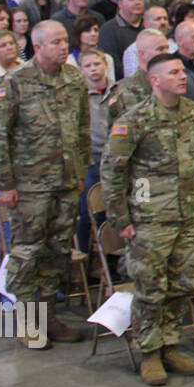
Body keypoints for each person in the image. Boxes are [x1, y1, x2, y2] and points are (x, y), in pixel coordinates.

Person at [102, 52, 194, 385]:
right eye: (174, 72)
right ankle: (149, 352)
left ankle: (170, 344)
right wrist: (120, 218)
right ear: (155, 80)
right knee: (151, 288)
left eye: (183, 71)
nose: (183, 77)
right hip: (151, 219)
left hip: (188, 216)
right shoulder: (134, 120)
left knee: (181, 285)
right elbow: (112, 172)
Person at [0, 20, 90, 348]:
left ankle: (48, 316)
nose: (62, 47)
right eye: (55, 42)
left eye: (64, 41)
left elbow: (83, 128)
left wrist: (81, 171)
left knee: (58, 250)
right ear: (37, 45)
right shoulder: (16, 81)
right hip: (29, 185)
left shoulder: (74, 78)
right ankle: (27, 320)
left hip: (65, 181)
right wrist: (4, 184)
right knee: (28, 252)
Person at [75, 47, 113, 258]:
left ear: (105, 64)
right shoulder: (78, 96)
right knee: (88, 211)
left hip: (115, 159)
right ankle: (84, 256)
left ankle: (112, 255)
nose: (93, 70)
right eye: (87, 66)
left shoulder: (117, 92)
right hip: (91, 160)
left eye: (96, 64)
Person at [109, 30, 173, 122]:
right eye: (160, 49)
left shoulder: (172, 81)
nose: (167, 53)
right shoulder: (125, 88)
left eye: (167, 48)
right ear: (142, 54)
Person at [97, 0, 145, 80]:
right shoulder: (108, 30)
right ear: (120, 3)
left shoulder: (148, 27)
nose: (137, 2)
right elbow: (112, 64)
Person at [122, 7, 176, 78]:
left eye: (165, 19)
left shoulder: (174, 46)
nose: (163, 22)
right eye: (158, 19)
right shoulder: (133, 50)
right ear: (145, 23)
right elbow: (132, 79)